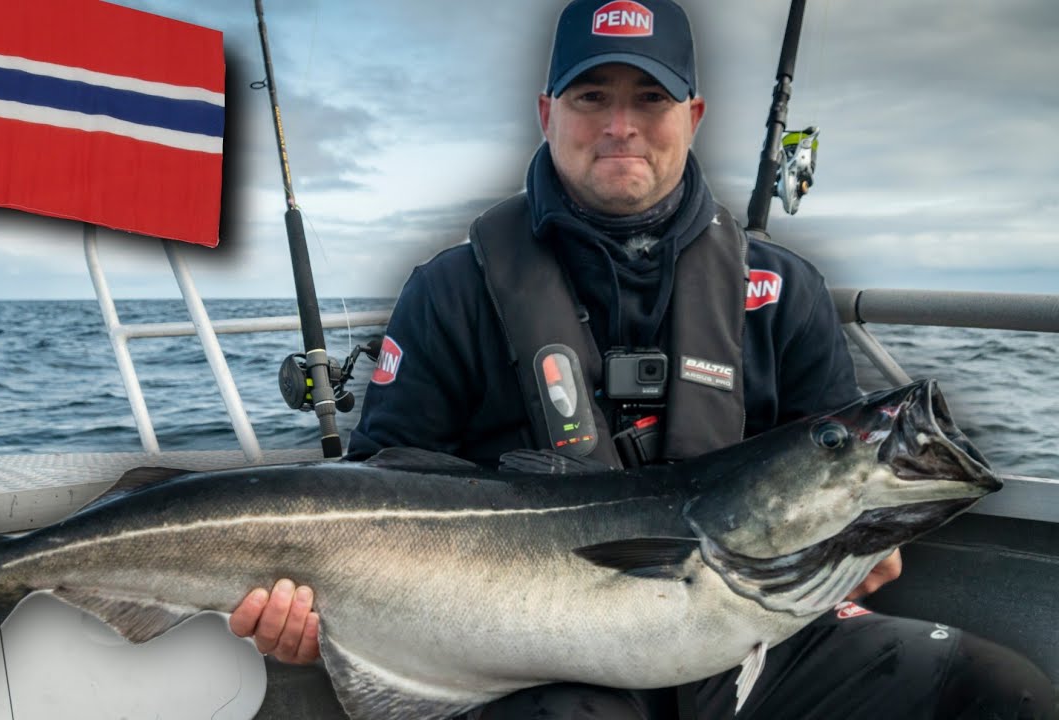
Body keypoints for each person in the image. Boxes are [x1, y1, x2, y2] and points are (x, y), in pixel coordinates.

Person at [229, 0, 1057, 717]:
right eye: (592, 97)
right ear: (546, 112)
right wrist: (329, 613)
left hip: (759, 633)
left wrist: (861, 538)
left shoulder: (784, 291)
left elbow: (821, 468)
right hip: (538, 657)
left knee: (998, 690)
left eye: (650, 98)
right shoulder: (451, 290)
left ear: (694, 115)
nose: (619, 125)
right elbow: (375, 491)